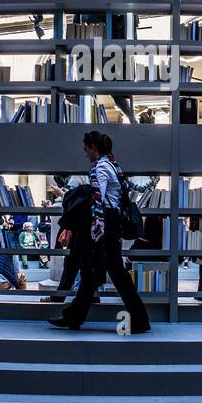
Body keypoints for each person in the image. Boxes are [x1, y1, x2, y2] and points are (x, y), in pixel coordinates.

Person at [49, 131, 150, 333]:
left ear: (93, 147)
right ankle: (75, 317)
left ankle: (139, 320)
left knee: (106, 272)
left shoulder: (101, 167)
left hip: (103, 226)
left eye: (86, 148)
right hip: (110, 225)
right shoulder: (111, 164)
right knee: (95, 272)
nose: (85, 152)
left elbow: (98, 198)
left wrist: (94, 227)